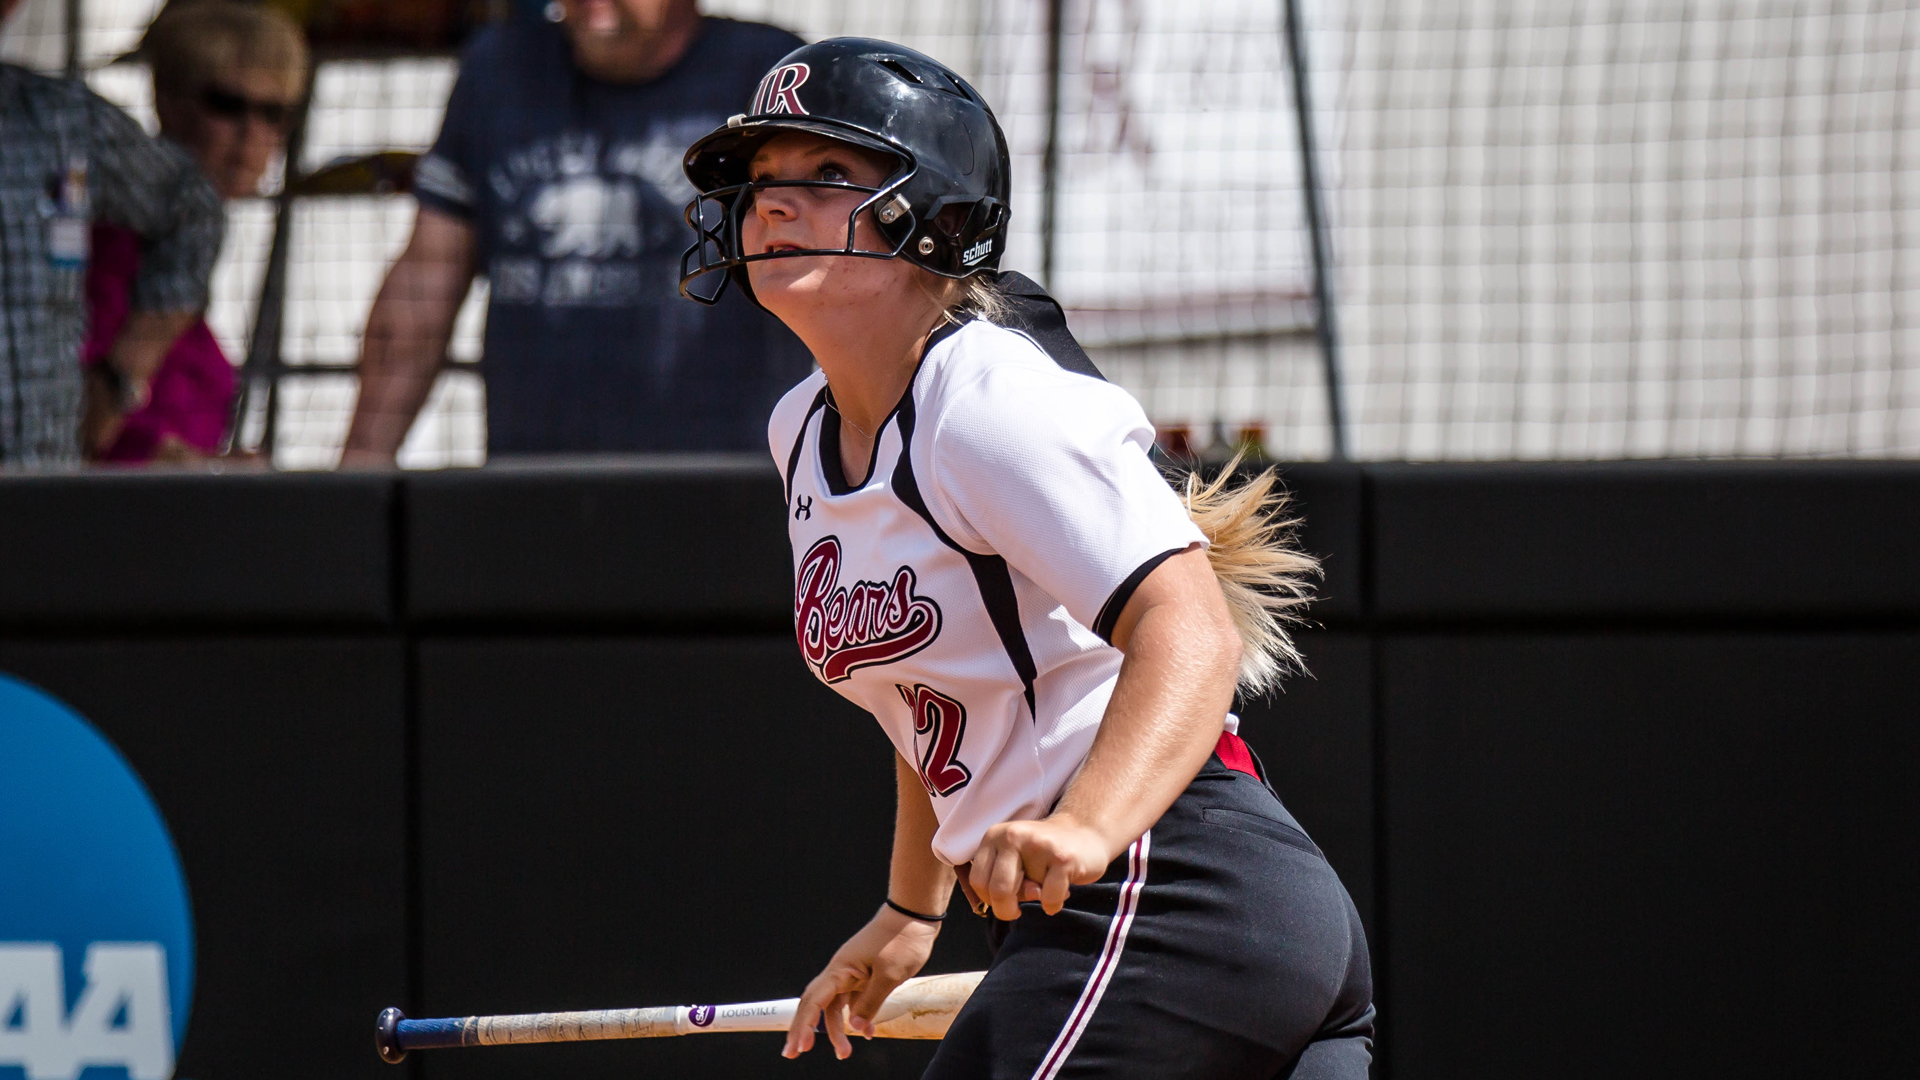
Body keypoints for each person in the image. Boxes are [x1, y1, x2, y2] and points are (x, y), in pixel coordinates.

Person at [678, 38, 1376, 1080]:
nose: (772, 202)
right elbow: (929, 689)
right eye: (760, 177)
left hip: (1168, 886)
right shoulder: (802, 432)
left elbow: (1192, 629)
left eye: (826, 173)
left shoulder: (983, 398)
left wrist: (1088, 827)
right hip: (1139, 915)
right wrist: (911, 909)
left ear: (933, 217)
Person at [339, 0, 811, 464]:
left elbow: (840, 273)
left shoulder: (771, 78)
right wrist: (361, 464)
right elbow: (424, 285)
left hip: (726, 481)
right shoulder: (499, 71)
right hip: (533, 483)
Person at [81, 0, 307, 464]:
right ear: (169, 103)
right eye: (227, 105)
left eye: (273, 113)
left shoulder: (192, 251)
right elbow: (74, 425)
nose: (251, 133)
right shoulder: (104, 241)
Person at [0, 0, 223, 467]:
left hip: (46, 481)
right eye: (226, 104)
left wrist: (123, 375)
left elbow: (191, 205)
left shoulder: (60, 122)